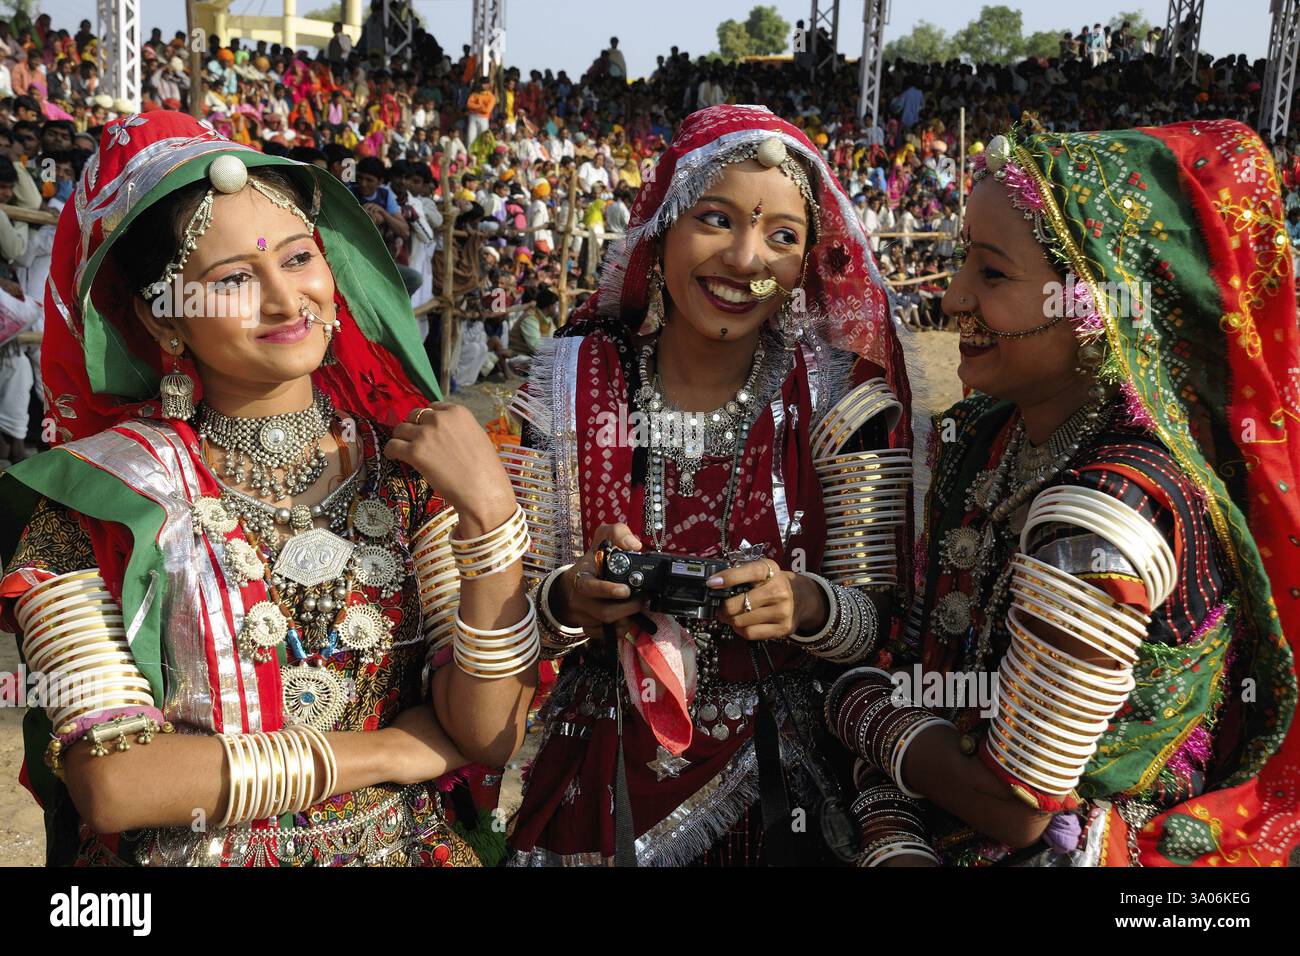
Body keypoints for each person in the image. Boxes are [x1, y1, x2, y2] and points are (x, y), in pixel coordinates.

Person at [0, 111, 538, 867]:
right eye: (234, 280)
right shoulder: (97, 500)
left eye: (297, 258)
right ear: (164, 323)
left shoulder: (411, 477)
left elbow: (486, 735)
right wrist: (384, 751)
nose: (287, 301)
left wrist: (491, 518)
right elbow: (115, 783)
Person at [828, 120, 1300, 866]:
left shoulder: (1108, 511)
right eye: (961, 262)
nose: (952, 298)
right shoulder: (991, 435)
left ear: (1094, 308)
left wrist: (851, 704)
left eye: (992, 275)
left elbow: (1013, 807)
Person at [508, 104, 913, 866]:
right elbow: (519, 610)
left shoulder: (838, 396)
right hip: (603, 764)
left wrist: (810, 604)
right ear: (660, 232)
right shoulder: (573, 386)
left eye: (782, 237)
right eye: (716, 220)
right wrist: (571, 596)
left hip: (776, 775)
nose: (745, 258)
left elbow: (884, 625)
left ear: (807, 261)